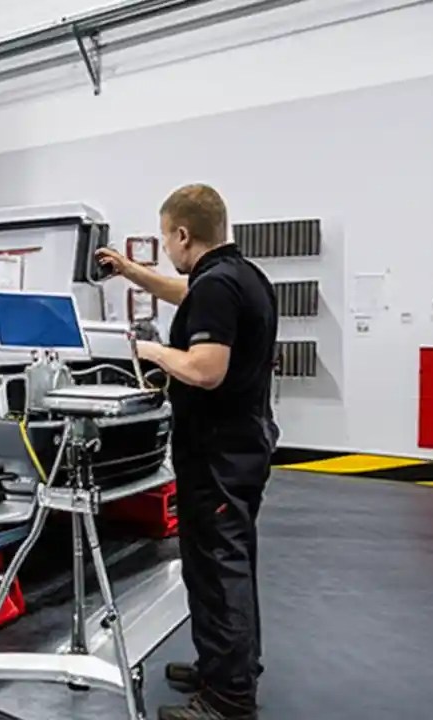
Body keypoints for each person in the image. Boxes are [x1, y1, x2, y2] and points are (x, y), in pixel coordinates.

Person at [97, 183, 279, 720]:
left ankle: (228, 700)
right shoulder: (241, 276)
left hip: (218, 453)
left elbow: (205, 369)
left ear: (182, 234)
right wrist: (131, 272)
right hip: (240, 444)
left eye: (165, 238)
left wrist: (147, 349)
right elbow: (189, 295)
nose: (166, 248)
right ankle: (222, 667)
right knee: (215, 564)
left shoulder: (219, 286)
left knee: (221, 567)